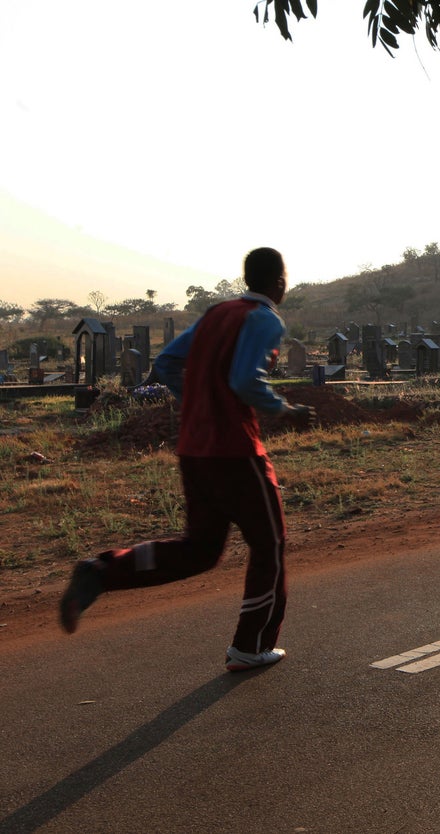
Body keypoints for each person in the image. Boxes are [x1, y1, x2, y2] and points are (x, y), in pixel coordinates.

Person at [59, 247, 315, 673]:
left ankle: (102, 572)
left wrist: (197, 400)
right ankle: (250, 646)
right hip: (236, 450)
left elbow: (168, 361)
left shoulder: (218, 312)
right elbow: (244, 379)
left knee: (200, 549)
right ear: (279, 282)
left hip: (194, 449)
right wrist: (283, 410)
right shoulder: (266, 318)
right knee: (269, 545)